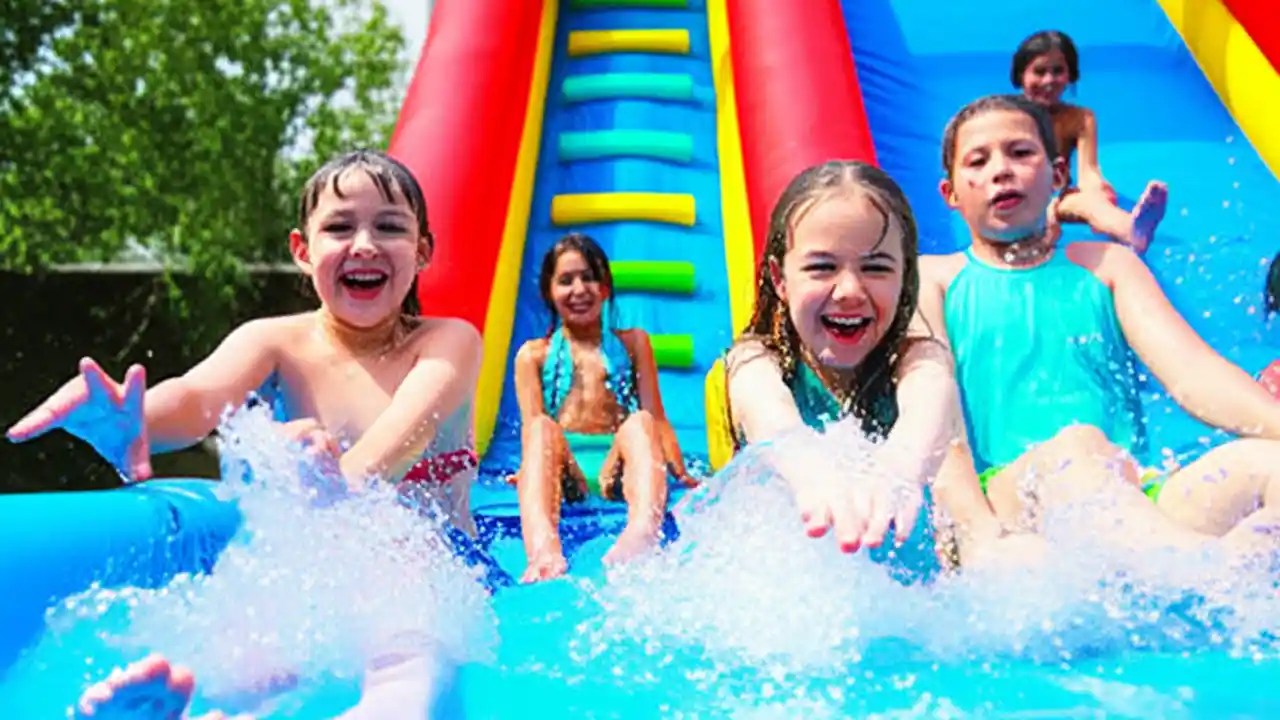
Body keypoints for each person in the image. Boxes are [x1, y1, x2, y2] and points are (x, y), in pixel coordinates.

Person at [8, 150, 489, 719]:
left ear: (423, 251)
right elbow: (197, 397)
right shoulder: (275, 341)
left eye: (389, 227)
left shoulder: (449, 340)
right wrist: (134, 421)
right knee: (256, 652)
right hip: (309, 555)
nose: (363, 243)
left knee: (412, 654)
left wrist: (327, 482)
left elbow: (405, 435)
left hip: (427, 556)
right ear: (302, 251)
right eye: (339, 226)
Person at [921, 94, 1280, 560]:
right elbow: (935, 421)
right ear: (951, 193)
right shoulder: (935, 280)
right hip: (1004, 509)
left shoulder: (1108, 266)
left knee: (1269, 465)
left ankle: (1205, 571)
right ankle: (1202, 569)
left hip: (1131, 499)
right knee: (1079, 444)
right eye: (978, 160)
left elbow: (1194, 374)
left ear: (1058, 176)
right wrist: (974, 533)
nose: (1001, 169)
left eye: (1020, 152)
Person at [714, 159, 1040, 576]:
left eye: (876, 268)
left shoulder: (919, 360)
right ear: (780, 279)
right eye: (821, 267)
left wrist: (899, 469)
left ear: (905, 278)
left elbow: (925, 414)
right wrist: (808, 467)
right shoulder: (756, 361)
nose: (850, 290)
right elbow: (772, 420)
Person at [509, 233, 696, 582]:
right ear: (549, 292)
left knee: (639, 421)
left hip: (620, 465)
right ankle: (542, 549)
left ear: (606, 287)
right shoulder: (534, 355)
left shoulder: (632, 343)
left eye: (589, 277)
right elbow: (532, 430)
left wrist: (679, 470)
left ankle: (642, 531)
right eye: (565, 281)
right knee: (539, 428)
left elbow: (656, 416)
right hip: (567, 470)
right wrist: (527, 473)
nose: (579, 289)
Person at [1011, 30, 1166, 254]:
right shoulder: (1008, 117)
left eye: (1057, 71)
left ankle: (1133, 231)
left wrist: (1097, 191)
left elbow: (1088, 170)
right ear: (1020, 75)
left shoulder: (1080, 118)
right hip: (1017, 196)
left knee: (1090, 202)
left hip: (1057, 197)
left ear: (1070, 75)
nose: (1048, 81)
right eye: (1039, 71)